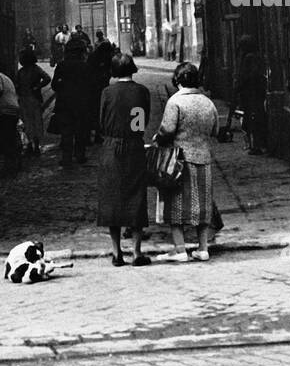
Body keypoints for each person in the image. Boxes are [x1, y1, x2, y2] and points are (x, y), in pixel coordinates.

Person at [154, 60, 219, 262]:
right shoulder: (208, 102)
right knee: (203, 205)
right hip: (204, 158)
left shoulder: (175, 102)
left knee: (176, 204)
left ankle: (180, 249)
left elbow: (167, 130)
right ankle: (203, 248)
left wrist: (157, 139)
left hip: (179, 161)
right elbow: (215, 130)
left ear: (178, 80)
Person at [98, 54, 152, 266]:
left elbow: (102, 122)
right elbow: (141, 122)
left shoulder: (107, 93)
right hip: (134, 147)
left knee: (112, 198)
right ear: (133, 69)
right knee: (136, 196)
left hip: (111, 148)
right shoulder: (141, 92)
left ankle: (116, 252)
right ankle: (137, 252)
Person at [51, 34, 90, 167]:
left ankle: (66, 158)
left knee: (66, 132)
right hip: (81, 104)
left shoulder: (62, 65)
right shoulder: (85, 66)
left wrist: (64, 87)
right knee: (81, 131)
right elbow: (92, 86)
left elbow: (54, 85)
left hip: (64, 104)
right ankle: (80, 155)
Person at [234, 34, 268, 155]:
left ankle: (256, 146)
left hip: (251, 93)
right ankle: (255, 144)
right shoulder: (252, 56)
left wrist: (241, 83)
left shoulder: (250, 57)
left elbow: (251, 74)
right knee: (254, 118)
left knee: (253, 119)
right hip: (253, 93)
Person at [16, 48, 51, 155]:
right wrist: (38, 87)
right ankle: (34, 145)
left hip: (26, 98)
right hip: (32, 98)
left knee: (28, 122)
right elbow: (47, 78)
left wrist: (37, 87)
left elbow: (47, 78)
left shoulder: (22, 71)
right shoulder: (36, 69)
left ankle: (32, 145)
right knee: (34, 122)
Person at [0, 56, 22, 172]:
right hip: (14, 109)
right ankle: (14, 162)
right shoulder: (8, 79)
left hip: (5, 110)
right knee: (9, 136)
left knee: (6, 139)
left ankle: (9, 166)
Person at [87, 29, 115, 144]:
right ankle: (96, 133)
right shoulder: (101, 57)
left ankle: (94, 134)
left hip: (97, 86)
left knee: (95, 110)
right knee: (97, 109)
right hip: (95, 87)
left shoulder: (98, 55)